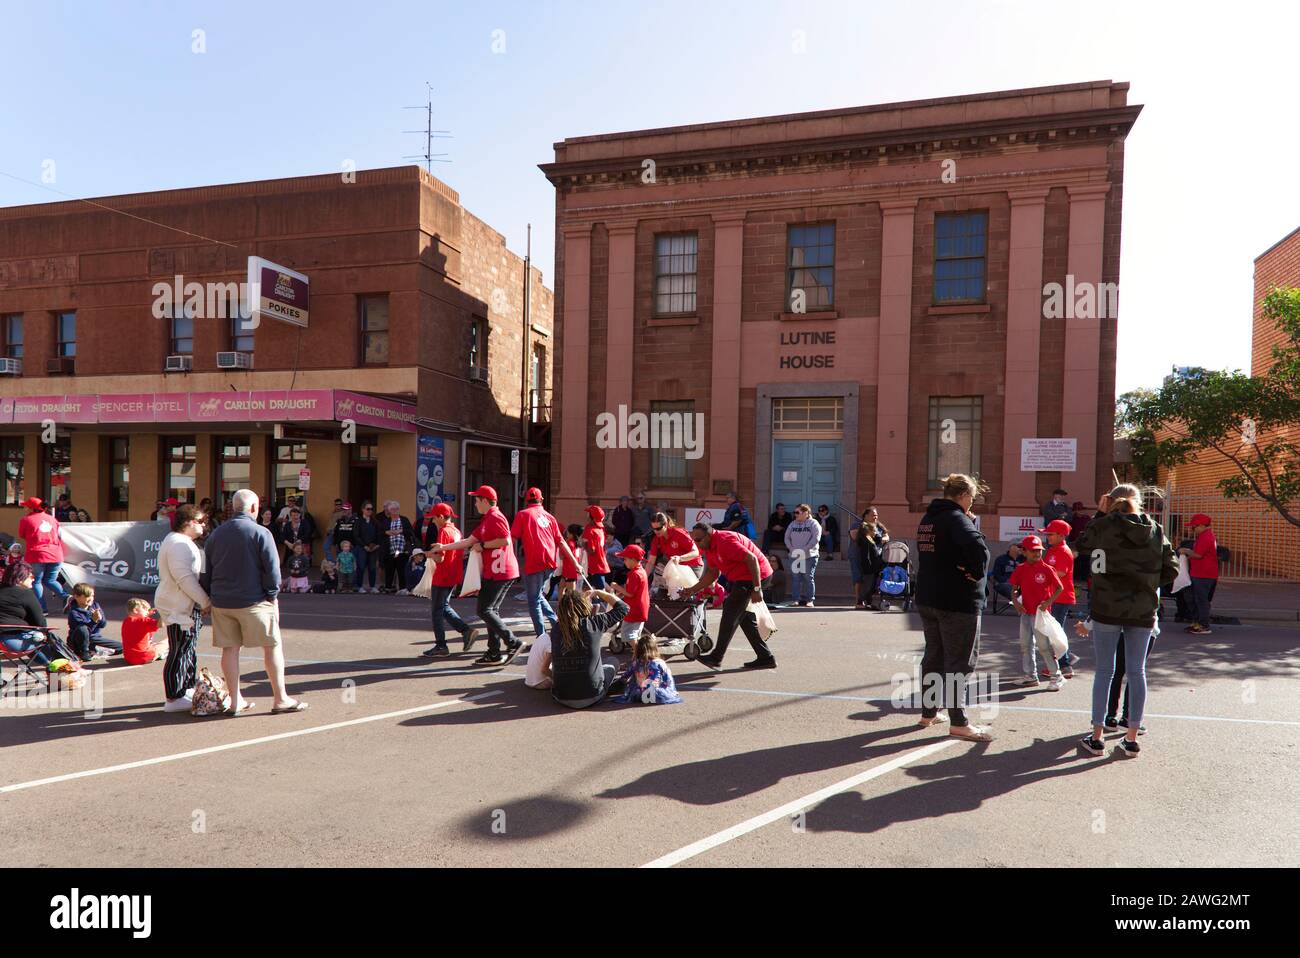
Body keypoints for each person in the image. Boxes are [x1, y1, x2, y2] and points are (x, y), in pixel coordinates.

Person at [1075, 485, 1177, 759]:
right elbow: (1172, 567)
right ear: (1139, 502)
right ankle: (1131, 738)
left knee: (1105, 671)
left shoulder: (1103, 526)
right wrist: (1147, 583)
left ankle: (1097, 736)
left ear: (1111, 501)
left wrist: (1099, 512)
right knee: (1137, 671)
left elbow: (1082, 545)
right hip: (1142, 609)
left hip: (1107, 607)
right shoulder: (1155, 529)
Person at [200, 489, 307, 716]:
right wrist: (272, 595)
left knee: (230, 650)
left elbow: (206, 571)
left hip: (222, 601)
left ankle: (236, 701)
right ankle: (280, 698)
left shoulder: (215, 535)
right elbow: (272, 570)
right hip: (254, 600)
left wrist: (209, 596)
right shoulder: (261, 533)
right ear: (253, 508)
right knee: (272, 646)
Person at [913, 473, 993, 741]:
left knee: (934, 657)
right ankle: (959, 721)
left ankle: (929, 712)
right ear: (965, 496)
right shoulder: (957, 519)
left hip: (928, 597)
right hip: (957, 601)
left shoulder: (929, 518)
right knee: (959, 661)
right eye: (972, 498)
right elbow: (979, 550)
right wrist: (974, 572)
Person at [427, 486, 523, 667]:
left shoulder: (495, 516)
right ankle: (493, 653)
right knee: (490, 612)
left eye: (477, 500)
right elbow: (467, 542)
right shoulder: (487, 519)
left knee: (484, 610)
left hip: (501, 572)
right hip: (496, 572)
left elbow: (506, 540)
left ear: (485, 501)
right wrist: (442, 547)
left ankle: (513, 643)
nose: (475, 503)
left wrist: (484, 545)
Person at [682, 523, 776, 670]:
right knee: (742, 617)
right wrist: (693, 590)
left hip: (756, 576)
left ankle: (716, 658)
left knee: (730, 613)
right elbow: (713, 573)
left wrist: (757, 589)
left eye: (699, 540)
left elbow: (752, 560)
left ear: (709, 535)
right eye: (694, 540)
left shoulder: (725, 541)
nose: (697, 543)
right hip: (742, 578)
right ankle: (765, 657)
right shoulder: (709, 546)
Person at [155, 503, 211, 712]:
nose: (203, 525)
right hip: (179, 606)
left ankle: (185, 688)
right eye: (200, 521)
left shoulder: (179, 541)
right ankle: (174, 695)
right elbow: (184, 578)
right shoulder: (180, 543)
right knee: (180, 649)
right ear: (188, 522)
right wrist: (205, 601)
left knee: (186, 648)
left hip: (181, 604)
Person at [511, 487, 578, 639]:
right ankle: (556, 625)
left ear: (526, 500)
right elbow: (561, 542)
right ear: (541, 500)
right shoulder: (550, 517)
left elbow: (511, 539)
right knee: (538, 595)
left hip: (534, 563)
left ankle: (542, 636)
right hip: (549, 563)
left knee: (533, 599)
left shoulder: (523, 515)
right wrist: (575, 563)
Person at [550, 588, 627, 709]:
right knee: (613, 662)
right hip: (592, 696)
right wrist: (599, 592)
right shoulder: (594, 624)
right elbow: (623, 608)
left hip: (561, 696)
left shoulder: (556, 629)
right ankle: (605, 689)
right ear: (584, 606)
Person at [421, 502, 480, 657]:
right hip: (453, 574)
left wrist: (427, 554)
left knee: (437, 611)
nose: (433, 521)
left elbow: (440, 558)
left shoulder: (443, 532)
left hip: (443, 575)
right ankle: (466, 631)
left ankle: (442, 645)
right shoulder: (456, 531)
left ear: (441, 517)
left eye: (434, 518)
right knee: (444, 607)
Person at [1008, 535, 1066, 690]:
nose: (1037, 553)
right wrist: (1015, 602)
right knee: (1025, 645)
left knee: (1044, 646)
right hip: (1026, 613)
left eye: (1039, 550)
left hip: (1040, 615)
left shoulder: (1047, 569)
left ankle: (1056, 676)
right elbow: (1014, 588)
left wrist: (1048, 602)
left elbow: (1060, 587)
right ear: (1024, 551)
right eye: (1033, 551)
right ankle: (1030, 676)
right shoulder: (1021, 568)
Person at [0, 562, 57, 679]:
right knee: (42, 637)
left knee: (30, 636)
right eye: (30, 575)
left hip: (3, 644)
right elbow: (40, 622)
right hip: (13, 643)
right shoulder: (25, 594)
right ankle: (55, 667)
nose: (33, 577)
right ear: (20, 579)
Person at [1039, 518, 1079, 678]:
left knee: (1054, 632)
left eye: (1051, 534)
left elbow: (1060, 573)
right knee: (1055, 631)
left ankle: (1064, 665)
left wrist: (1041, 574)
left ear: (1061, 535)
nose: (1048, 537)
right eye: (1047, 534)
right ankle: (1066, 659)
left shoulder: (1062, 551)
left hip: (1061, 597)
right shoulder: (1054, 549)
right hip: (1055, 596)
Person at [17, 497, 67, 614]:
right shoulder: (52, 519)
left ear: (31, 508)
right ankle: (67, 597)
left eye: (26, 506)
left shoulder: (26, 520)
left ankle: (42, 609)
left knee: (36, 582)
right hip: (55, 553)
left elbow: (22, 534)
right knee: (50, 580)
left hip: (37, 554)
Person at [614, 633, 682, 705]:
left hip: (638, 693)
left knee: (634, 682)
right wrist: (671, 690)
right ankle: (665, 692)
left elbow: (625, 676)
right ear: (654, 649)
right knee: (664, 679)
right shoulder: (659, 662)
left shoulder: (636, 662)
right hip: (656, 693)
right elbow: (668, 679)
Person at [1181, 513, 1218, 635]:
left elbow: (1198, 555)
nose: (1193, 529)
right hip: (1201, 572)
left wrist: (1185, 551)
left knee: (1201, 600)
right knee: (1195, 598)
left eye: (1194, 527)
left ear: (1201, 525)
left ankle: (1203, 625)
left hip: (1204, 574)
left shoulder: (1206, 537)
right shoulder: (1204, 536)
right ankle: (1198, 622)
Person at [610, 544, 650, 648]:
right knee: (635, 634)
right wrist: (622, 591)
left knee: (629, 635)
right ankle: (638, 653)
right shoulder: (641, 571)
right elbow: (632, 591)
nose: (624, 561)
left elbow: (630, 594)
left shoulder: (634, 574)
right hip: (640, 608)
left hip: (634, 609)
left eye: (625, 559)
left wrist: (617, 587)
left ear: (632, 559)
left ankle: (639, 654)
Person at [67, 583, 121, 659]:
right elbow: (84, 632)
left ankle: (94, 651)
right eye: (87, 596)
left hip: (94, 638)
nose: (91, 598)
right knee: (82, 628)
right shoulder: (74, 612)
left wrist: (100, 618)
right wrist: (94, 621)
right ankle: (83, 652)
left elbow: (103, 625)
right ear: (76, 596)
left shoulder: (95, 605)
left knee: (121, 647)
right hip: (79, 641)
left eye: (92, 596)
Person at [783, 503, 822, 607]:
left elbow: (816, 538)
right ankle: (796, 599)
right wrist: (791, 548)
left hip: (810, 555)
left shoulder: (814, 523)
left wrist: (804, 549)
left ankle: (810, 600)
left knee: (808, 577)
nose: (795, 514)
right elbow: (786, 537)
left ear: (806, 513)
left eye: (797, 512)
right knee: (796, 578)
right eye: (794, 512)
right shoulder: (792, 524)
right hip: (795, 555)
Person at [850, 507, 889, 608]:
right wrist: (864, 529)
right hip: (858, 555)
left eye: (876, 515)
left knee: (871, 578)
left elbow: (886, 537)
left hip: (875, 557)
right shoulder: (857, 525)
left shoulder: (879, 526)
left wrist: (880, 539)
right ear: (866, 516)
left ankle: (868, 601)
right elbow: (854, 536)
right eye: (873, 515)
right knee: (859, 578)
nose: (875, 517)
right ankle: (859, 602)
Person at [377, 501, 416, 595]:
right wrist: (387, 532)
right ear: (389, 511)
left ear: (398, 510)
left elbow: (411, 531)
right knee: (389, 569)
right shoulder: (386, 521)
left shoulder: (404, 520)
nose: (394, 511)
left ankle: (402, 588)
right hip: (390, 549)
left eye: (396, 509)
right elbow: (379, 533)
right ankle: (388, 587)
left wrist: (401, 530)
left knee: (401, 569)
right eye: (392, 509)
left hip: (402, 549)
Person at [121, 599, 168, 665]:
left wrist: (147, 614)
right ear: (136, 610)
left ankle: (161, 653)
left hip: (129, 657)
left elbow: (140, 626)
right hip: (144, 657)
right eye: (146, 609)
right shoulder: (144, 621)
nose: (147, 611)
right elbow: (160, 625)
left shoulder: (126, 621)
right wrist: (163, 613)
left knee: (153, 645)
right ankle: (162, 653)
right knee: (167, 641)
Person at [580, 505, 611, 589]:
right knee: (599, 585)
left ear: (592, 518)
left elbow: (591, 550)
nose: (586, 517)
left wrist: (584, 544)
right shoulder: (602, 529)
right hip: (602, 561)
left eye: (588, 514)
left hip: (594, 563)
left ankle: (607, 599)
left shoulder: (589, 529)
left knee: (600, 588)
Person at [355, 501, 382, 593]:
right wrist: (364, 546)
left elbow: (379, 534)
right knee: (361, 567)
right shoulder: (358, 521)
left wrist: (377, 545)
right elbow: (356, 535)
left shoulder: (375, 522)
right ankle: (359, 586)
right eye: (368, 509)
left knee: (372, 568)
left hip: (373, 548)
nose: (370, 511)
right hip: (362, 548)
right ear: (363, 510)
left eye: (371, 509)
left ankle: (372, 586)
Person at [559, 523, 585, 596]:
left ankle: (566, 607)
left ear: (572, 534)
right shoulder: (578, 544)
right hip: (572, 571)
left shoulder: (569, 543)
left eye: (568, 531)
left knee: (570, 594)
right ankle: (562, 606)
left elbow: (561, 556)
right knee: (562, 588)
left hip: (568, 571)